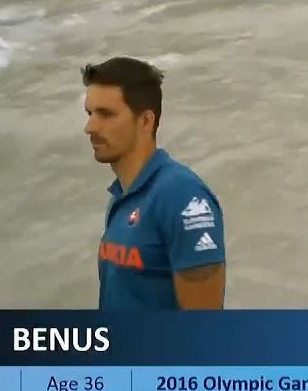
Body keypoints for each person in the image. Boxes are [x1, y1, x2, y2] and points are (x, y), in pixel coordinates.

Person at [84, 57, 227, 309]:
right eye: (90, 113)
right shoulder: (122, 197)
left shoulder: (182, 197)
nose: (90, 127)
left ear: (146, 121)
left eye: (106, 114)